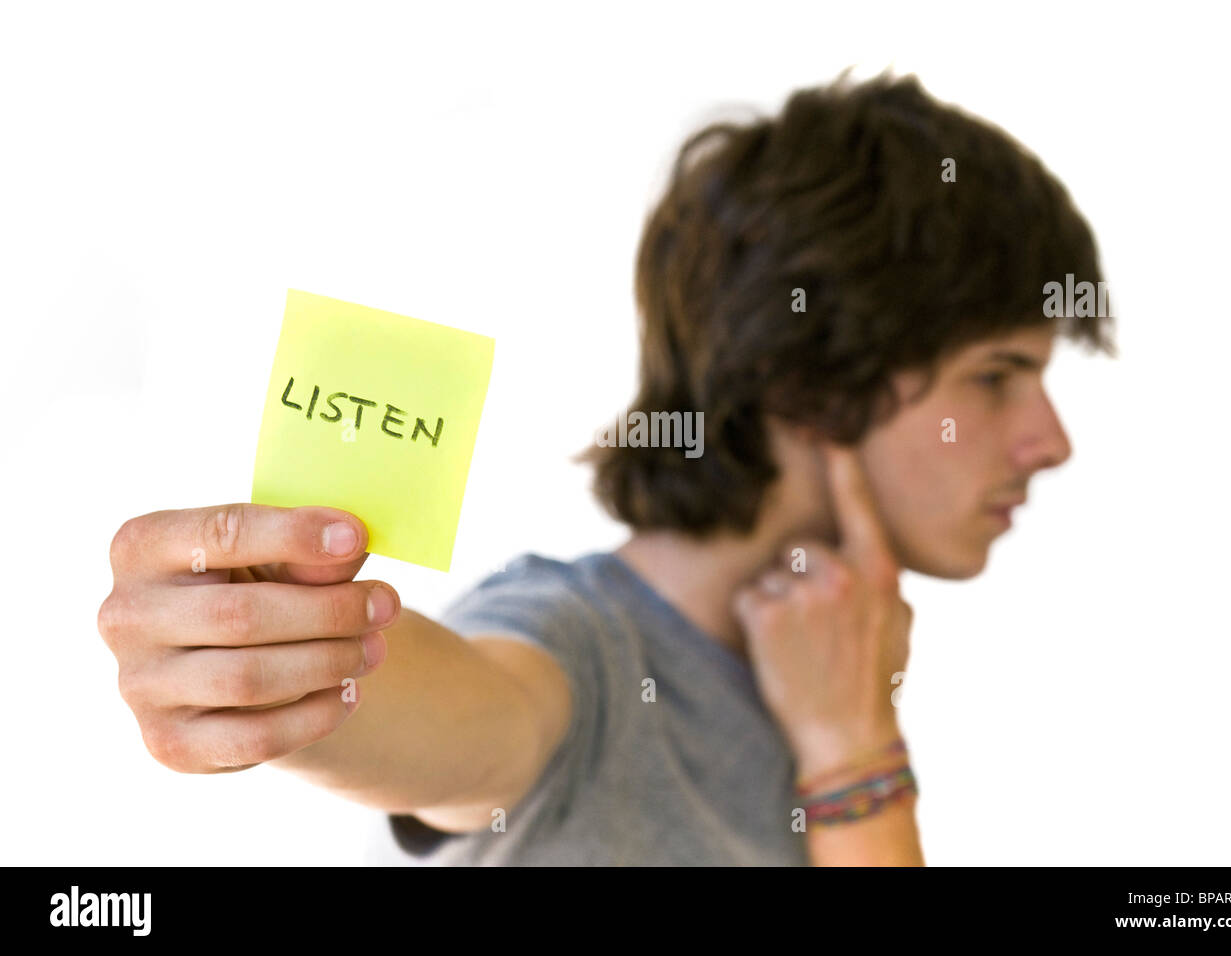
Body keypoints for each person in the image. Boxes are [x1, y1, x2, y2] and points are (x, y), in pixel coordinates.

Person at [97, 69, 1114, 866]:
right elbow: (468, 717)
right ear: (813, 375)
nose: (1050, 438)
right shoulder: (571, 643)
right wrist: (259, 659)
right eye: (998, 374)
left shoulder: (827, 680)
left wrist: (851, 738)